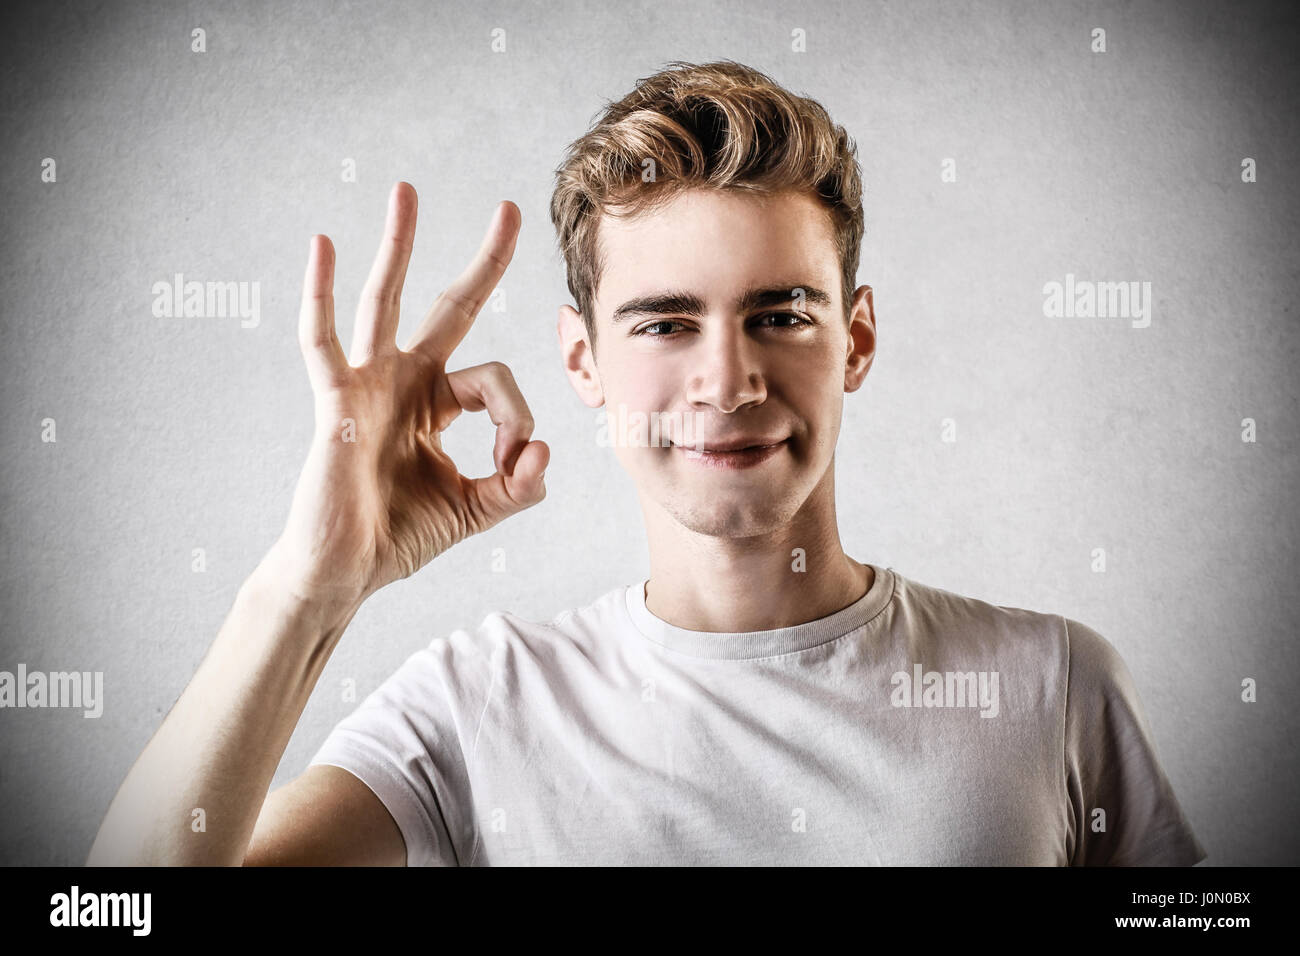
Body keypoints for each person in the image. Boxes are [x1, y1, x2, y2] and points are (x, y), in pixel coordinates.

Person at [87, 60, 1206, 866]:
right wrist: (304, 585)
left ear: (855, 338)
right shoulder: (474, 707)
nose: (726, 380)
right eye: (666, 323)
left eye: (780, 315)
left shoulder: (1053, 684)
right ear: (582, 360)